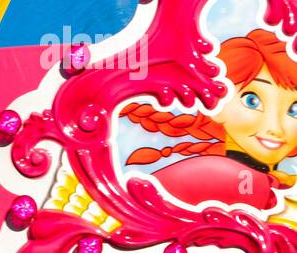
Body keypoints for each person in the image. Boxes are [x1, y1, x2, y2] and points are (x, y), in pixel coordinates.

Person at [123, 28, 297, 210]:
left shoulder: (262, 182)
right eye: (251, 101)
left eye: (294, 109)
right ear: (216, 105)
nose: (275, 127)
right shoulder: (225, 176)